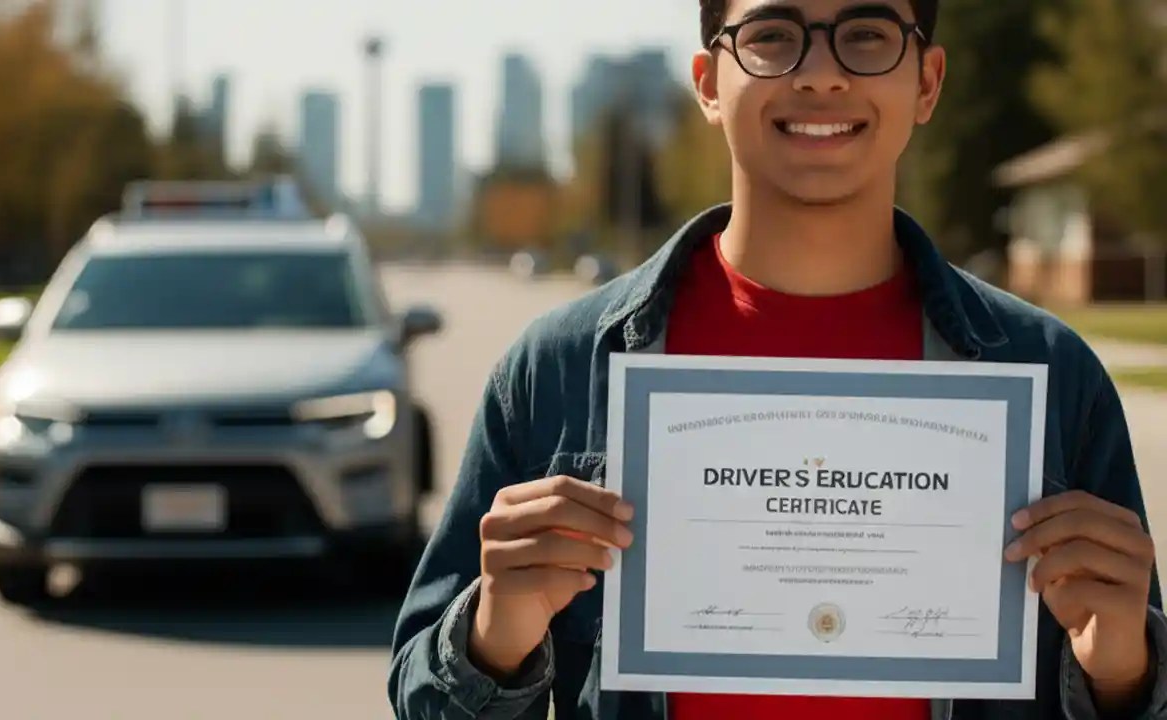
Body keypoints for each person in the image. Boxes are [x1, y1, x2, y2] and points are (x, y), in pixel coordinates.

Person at [388, 0, 1167, 717]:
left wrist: (1125, 673)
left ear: (927, 82)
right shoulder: (553, 371)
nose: (820, 73)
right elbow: (421, 696)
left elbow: (1133, 684)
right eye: (772, 36)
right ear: (709, 82)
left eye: (866, 34)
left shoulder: (1051, 377)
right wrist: (496, 633)